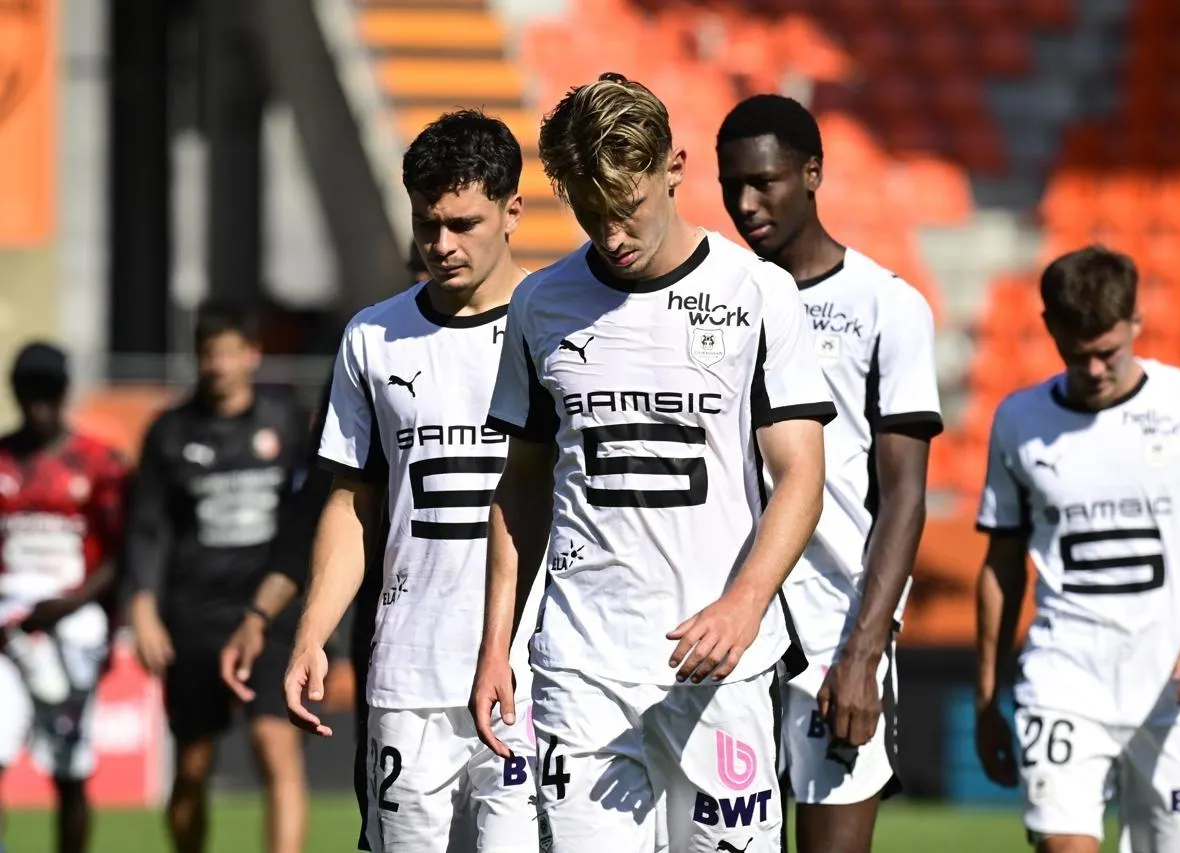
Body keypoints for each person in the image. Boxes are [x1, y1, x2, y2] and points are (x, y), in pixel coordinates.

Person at [470, 72, 835, 853]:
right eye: (590, 214)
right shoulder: (540, 305)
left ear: (674, 167)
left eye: (625, 209)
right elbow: (523, 484)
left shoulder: (758, 293)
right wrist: (496, 642)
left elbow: (802, 475)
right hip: (582, 662)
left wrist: (744, 603)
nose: (611, 235)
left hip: (719, 665)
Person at [282, 110, 539, 853]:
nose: (441, 245)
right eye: (428, 224)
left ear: (512, 212)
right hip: (408, 673)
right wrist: (312, 633)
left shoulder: (558, 325)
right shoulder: (371, 335)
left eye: (462, 223)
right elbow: (351, 504)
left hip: (533, 674)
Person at [973, 246, 1180, 853]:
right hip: (1064, 678)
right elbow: (1002, 565)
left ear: (1137, 322)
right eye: (1079, 356)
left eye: (1108, 352)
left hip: (1174, 685)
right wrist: (986, 694)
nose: (1096, 369)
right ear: (1049, 327)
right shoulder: (1018, 419)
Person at [715, 94, 943, 853]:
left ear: (813, 173)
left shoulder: (886, 305)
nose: (746, 204)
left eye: (766, 182)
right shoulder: (715, 300)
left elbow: (904, 496)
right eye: (731, 184)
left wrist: (863, 654)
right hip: (719, 630)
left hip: (830, 634)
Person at [221, 240, 428, 853]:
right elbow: (323, 513)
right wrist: (270, 619)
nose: (434, 274)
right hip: (391, 631)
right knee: (389, 821)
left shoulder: (522, 341)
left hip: (510, 633)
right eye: (418, 267)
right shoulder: (372, 358)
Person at [123, 303, 313, 853]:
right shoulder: (170, 431)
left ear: (252, 355)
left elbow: (310, 518)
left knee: (275, 745)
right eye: (210, 354)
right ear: (197, 359)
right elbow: (147, 527)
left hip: (271, 611)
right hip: (194, 614)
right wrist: (142, 605)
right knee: (192, 764)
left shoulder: (284, 421)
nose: (220, 365)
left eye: (230, 352)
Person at [0, 342, 128, 853]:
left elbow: (121, 553)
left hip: (75, 630)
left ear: (64, 392)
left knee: (70, 769)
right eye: (29, 391)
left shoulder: (99, 463)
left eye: (48, 391)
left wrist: (70, 606)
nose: (39, 403)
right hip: (7, 635)